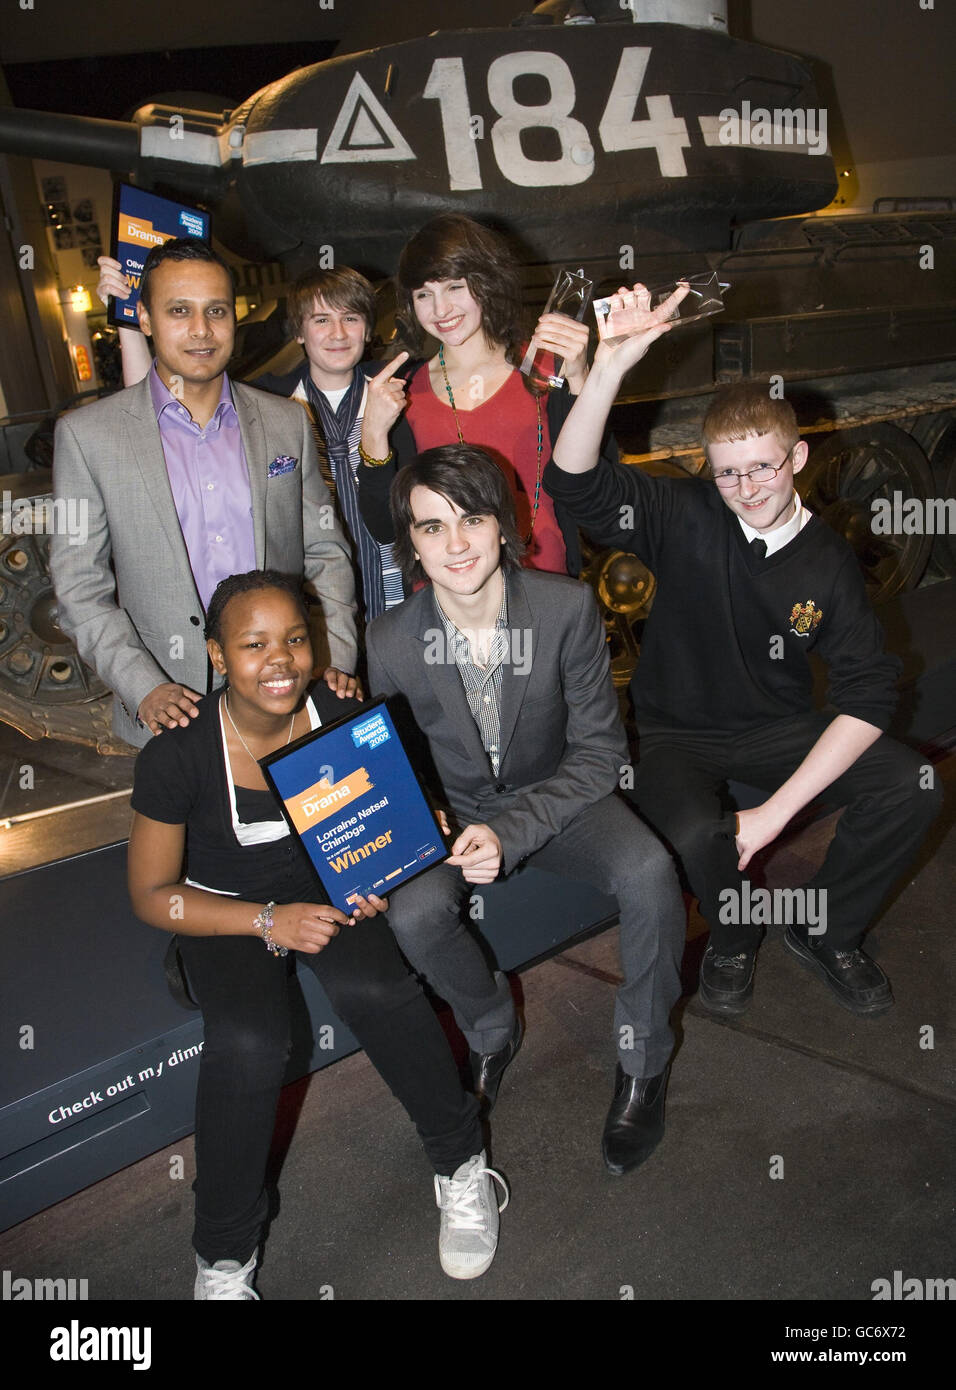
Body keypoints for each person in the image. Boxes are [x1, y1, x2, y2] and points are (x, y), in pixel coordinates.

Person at [544, 283, 943, 1018]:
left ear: (798, 456)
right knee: (699, 830)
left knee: (911, 786)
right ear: (709, 469)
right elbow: (574, 484)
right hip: (676, 733)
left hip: (779, 727)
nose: (746, 486)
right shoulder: (686, 514)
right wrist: (609, 368)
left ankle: (826, 927)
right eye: (727, 471)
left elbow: (867, 695)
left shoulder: (826, 559)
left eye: (763, 466)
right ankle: (732, 935)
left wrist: (776, 813)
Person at [127, 570, 507, 1296]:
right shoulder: (179, 754)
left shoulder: (338, 704)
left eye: (296, 639)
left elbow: (388, 809)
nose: (281, 659)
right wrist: (267, 922)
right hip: (225, 909)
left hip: (326, 892)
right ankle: (224, 1258)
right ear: (215, 655)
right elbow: (152, 895)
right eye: (254, 644)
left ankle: (461, 1164)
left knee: (378, 986)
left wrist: (397, 852)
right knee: (249, 1038)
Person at [364, 445, 687, 1176]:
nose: (454, 545)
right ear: (409, 542)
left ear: (503, 523)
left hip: (560, 798)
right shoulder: (388, 641)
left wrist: (509, 832)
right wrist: (436, 820)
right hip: (457, 817)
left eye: (471, 520)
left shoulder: (565, 606)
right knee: (412, 914)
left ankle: (644, 1061)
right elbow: (401, 769)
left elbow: (601, 754)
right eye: (430, 527)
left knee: (650, 872)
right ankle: (490, 1031)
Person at [52, 239, 358, 747]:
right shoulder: (89, 437)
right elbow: (78, 585)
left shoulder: (285, 422)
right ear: (145, 319)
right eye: (179, 311)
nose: (201, 330)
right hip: (169, 709)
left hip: (286, 696)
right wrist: (143, 686)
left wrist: (337, 661)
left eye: (216, 311)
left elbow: (326, 552)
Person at [98, 256, 404, 624]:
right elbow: (154, 409)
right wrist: (127, 320)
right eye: (321, 320)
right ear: (299, 332)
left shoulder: (400, 395)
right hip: (309, 604)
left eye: (351, 318)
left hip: (395, 588)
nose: (338, 333)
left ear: (368, 328)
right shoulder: (268, 404)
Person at [358, 213, 617, 578]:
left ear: (485, 283)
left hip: (545, 585)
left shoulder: (542, 367)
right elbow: (386, 528)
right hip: (450, 600)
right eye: (423, 295)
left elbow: (602, 484)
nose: (441, 309)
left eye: (454, 287)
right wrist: (372, 433)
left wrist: (582, 381)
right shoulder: (404, 390)